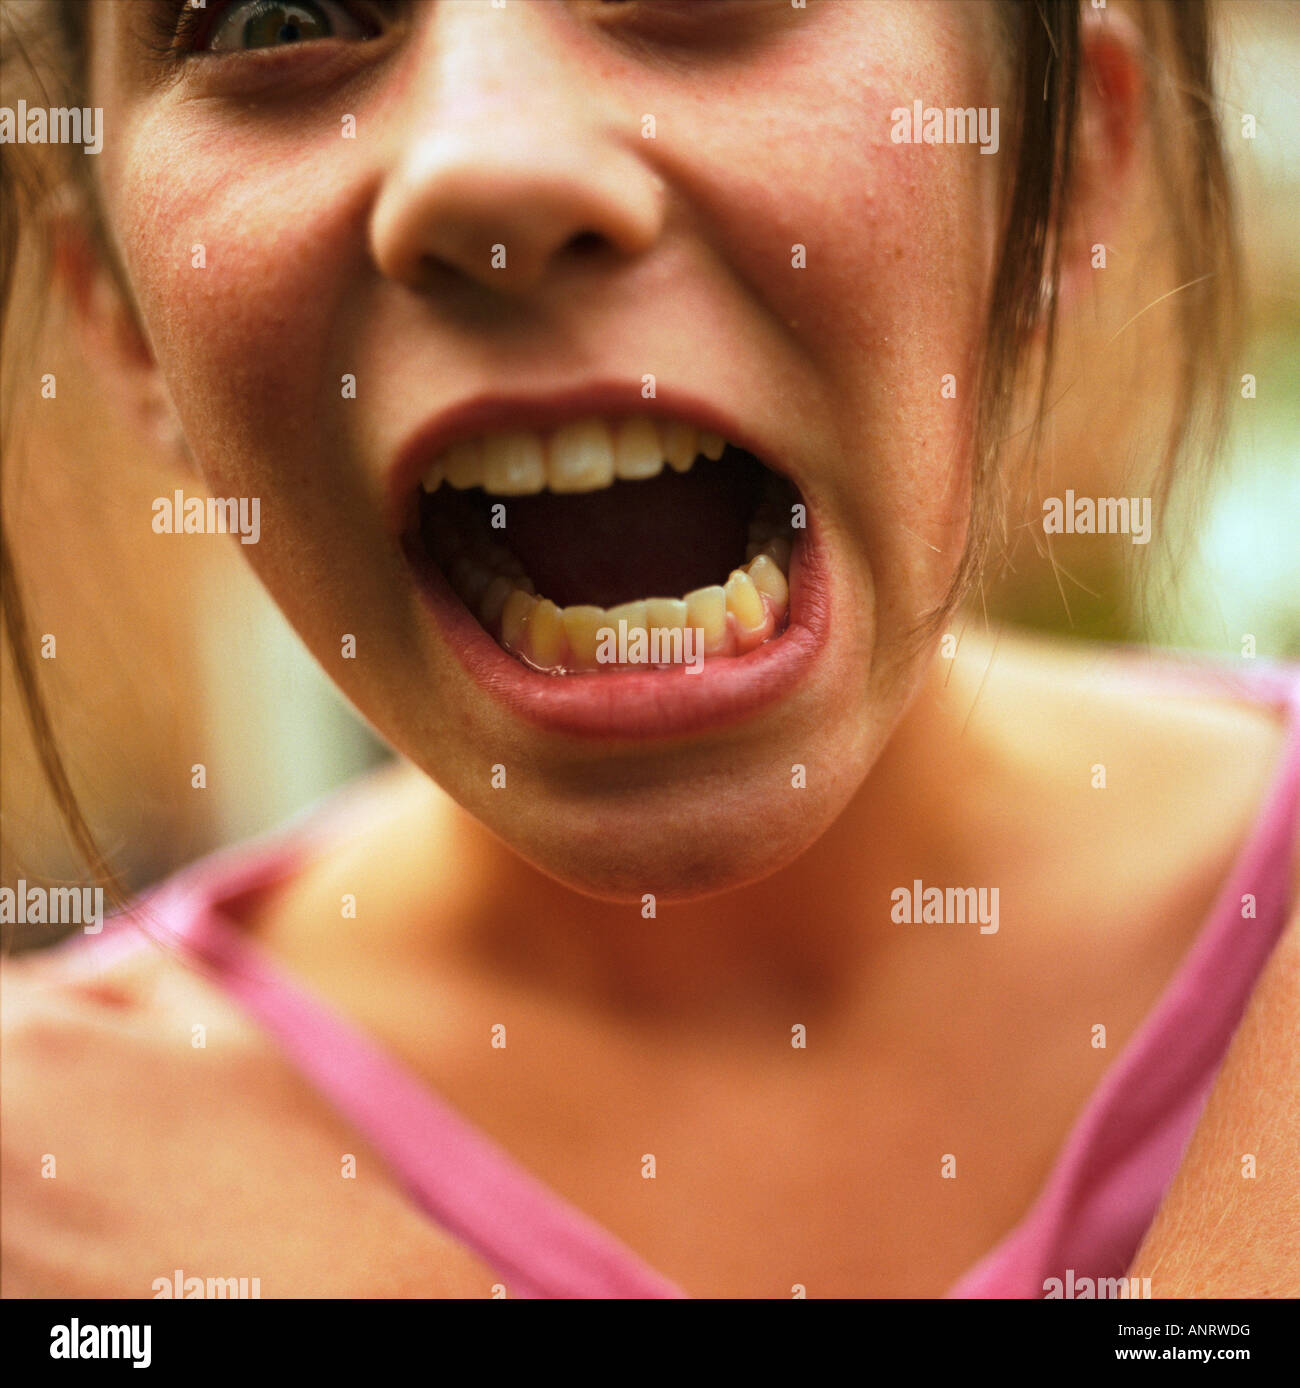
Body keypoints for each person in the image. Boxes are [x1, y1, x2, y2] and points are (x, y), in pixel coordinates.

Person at [2, 0, 1296, 1299]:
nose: (487, 166)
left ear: (1064, 164)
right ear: (121, 322)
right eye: (272, 16)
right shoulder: (52, 1207)